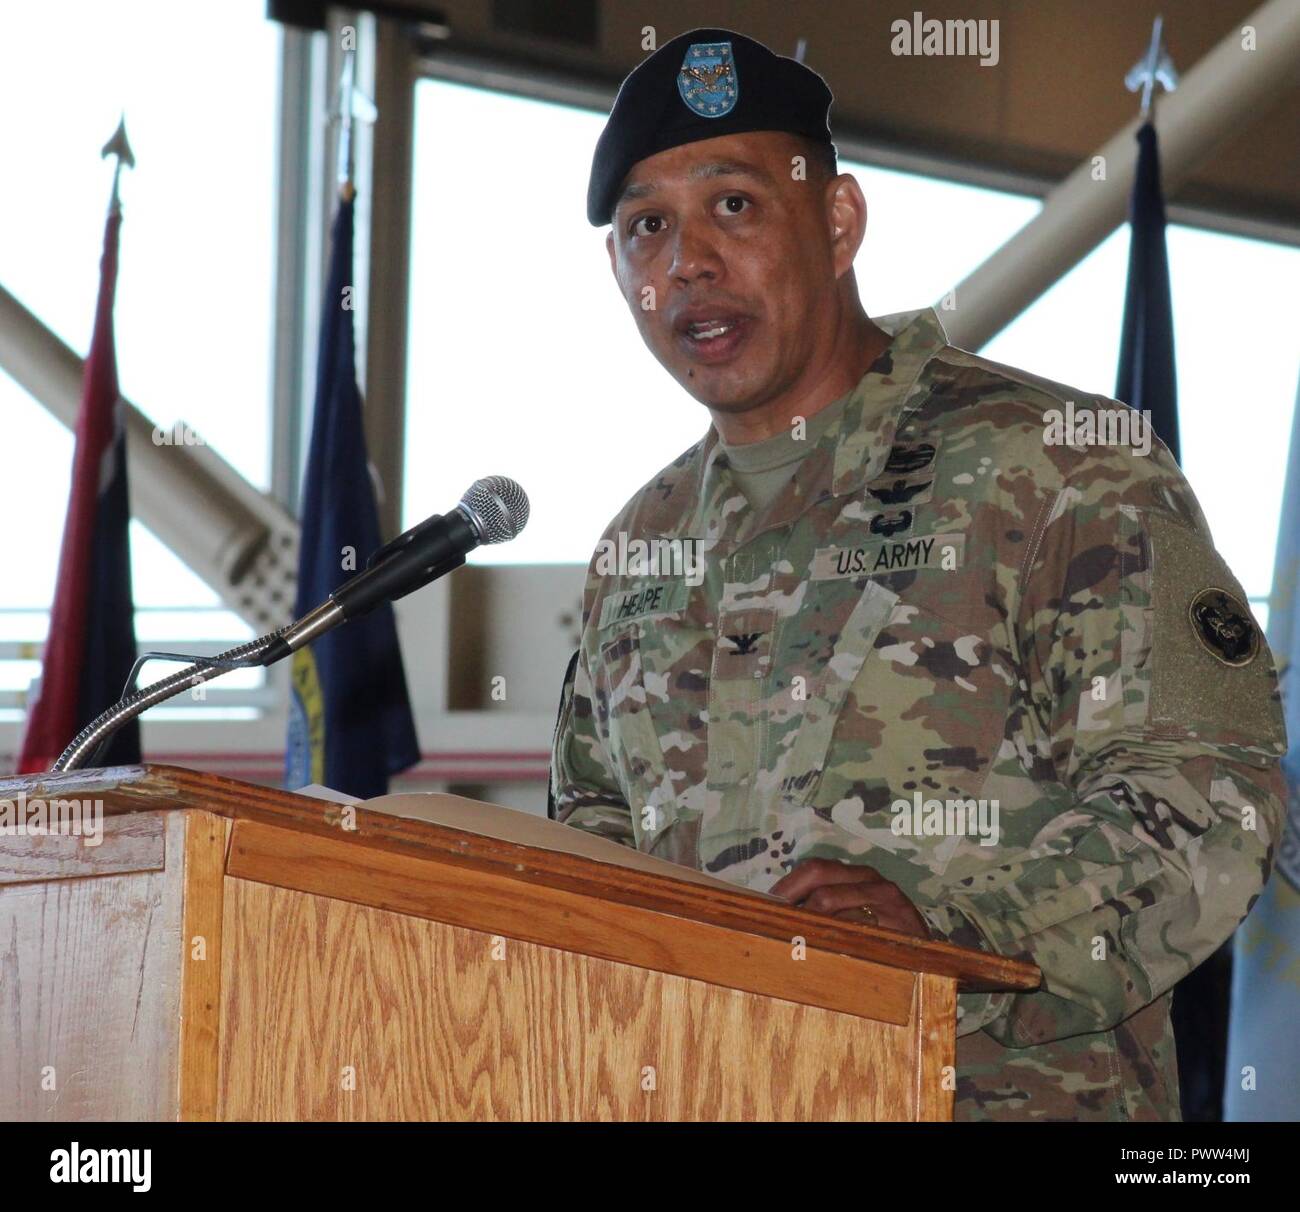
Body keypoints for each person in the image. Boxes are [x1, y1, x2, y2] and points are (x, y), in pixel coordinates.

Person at [548, 26, 1288, 1121]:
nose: (686, 260)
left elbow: (1211, 795)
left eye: (734, 205)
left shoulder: (1055, 464)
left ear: (838, 222)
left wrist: (953, 931)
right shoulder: (638, 550)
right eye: (645, 226)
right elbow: (589, 852)